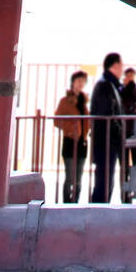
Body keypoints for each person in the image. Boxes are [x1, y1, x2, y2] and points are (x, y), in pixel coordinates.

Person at [90, 52, 124, 202]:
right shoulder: (105, 85)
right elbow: (107, 115)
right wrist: (119, 133)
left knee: (106, 181)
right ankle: (97, 216)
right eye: (121, 65)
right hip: (106, 142)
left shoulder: (108, 84)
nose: (123, 69)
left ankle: (99, 213)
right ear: (115, 65)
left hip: (107, 141)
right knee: (104, 183)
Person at [54, 69, 90, 203]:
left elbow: (87, 121)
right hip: (69, 141)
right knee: (70, 178)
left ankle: (75, 204)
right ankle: (66, 204)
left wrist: (87, 128)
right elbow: (57, 120)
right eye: (78, 81)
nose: (81, 84)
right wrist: (70, 128)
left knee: (79, 179)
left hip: (82, 143)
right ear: (73, 83)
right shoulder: (65, 101)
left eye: (83, 81)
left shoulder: (84, 101)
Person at [120, 66, 136, 198]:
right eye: (128, 76)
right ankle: (125, 196)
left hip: (135, 131)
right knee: (124, 166)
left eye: (132, 77)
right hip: (123, 131)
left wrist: (133, 86)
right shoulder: (120, 89)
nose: (130, 79)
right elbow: (120, 100)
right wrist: (126, 87)